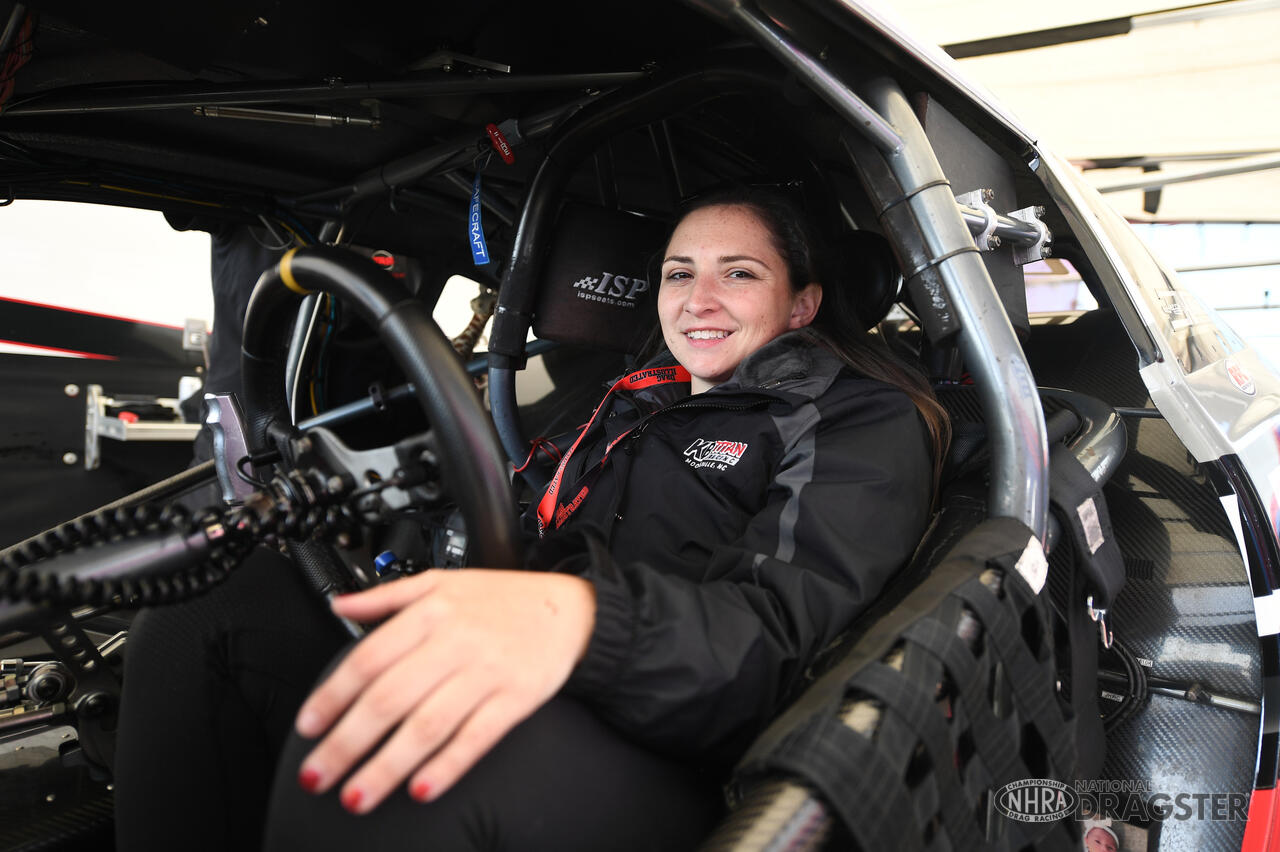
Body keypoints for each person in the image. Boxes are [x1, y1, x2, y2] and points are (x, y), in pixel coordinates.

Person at [115, 185, 948, 850]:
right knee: (208, 603)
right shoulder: (631, 398)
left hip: (693, 754)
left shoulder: (857, 421)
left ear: (801, 305)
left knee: (400, 766)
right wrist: (371, 530)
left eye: (738, 273)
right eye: (678, 272)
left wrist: (585, 620)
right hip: (532, 657)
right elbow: (515, 509)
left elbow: (775, 640)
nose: (699, 298)